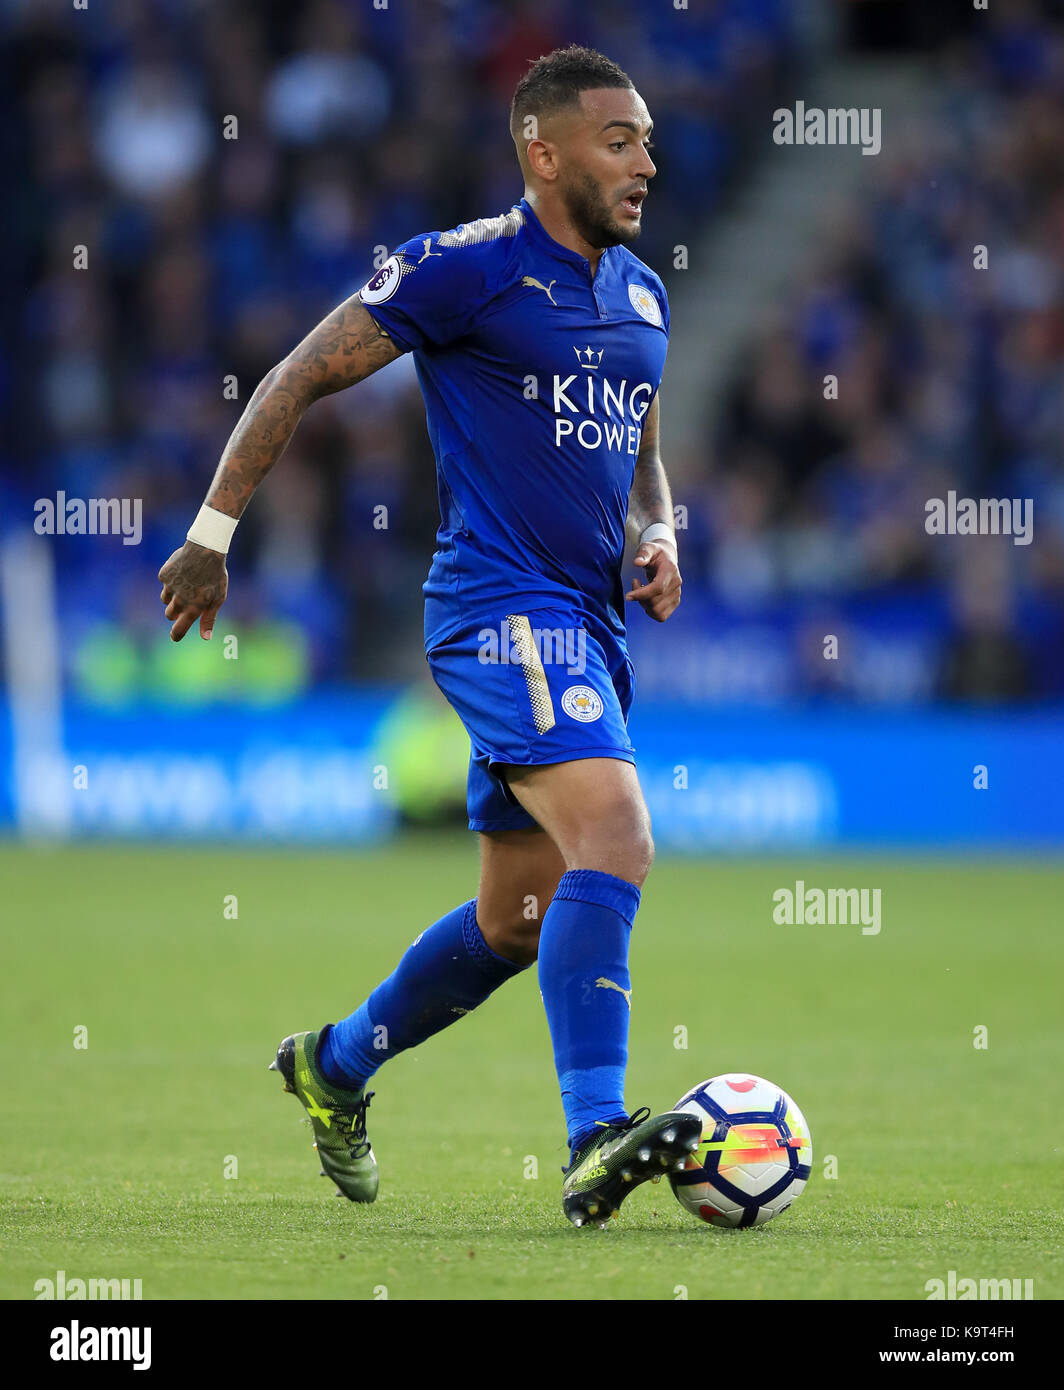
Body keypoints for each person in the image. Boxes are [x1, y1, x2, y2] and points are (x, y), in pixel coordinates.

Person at [158, 45, 698, 1228]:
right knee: (616, 831)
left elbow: (643, 459)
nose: (646, 161)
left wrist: (660, 534)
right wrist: (213, 532)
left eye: (648, 139)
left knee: (514, 919)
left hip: (590, 621)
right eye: (620, 140)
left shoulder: (644, 297)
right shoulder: (464, 270)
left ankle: (332, 1065)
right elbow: (294, 376)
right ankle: (595, 1135)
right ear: (541, 151)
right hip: (498, 609)